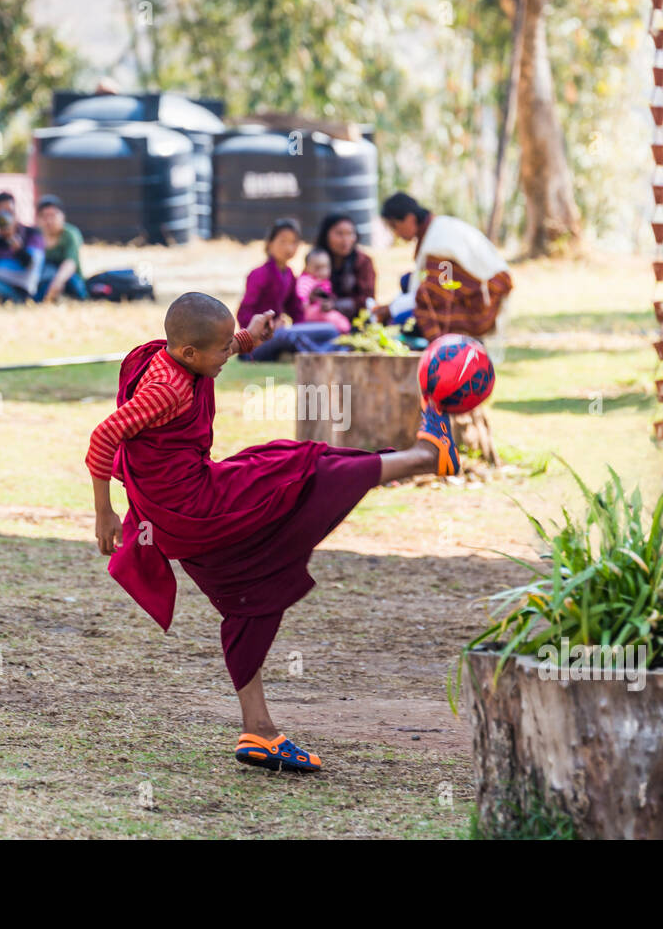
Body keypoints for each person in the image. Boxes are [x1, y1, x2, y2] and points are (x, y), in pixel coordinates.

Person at [86, 292, 462, 772]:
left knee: (246, 595)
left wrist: (249, 338)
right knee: (302, 471)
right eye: (223, 349)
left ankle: (258, 732)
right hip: (194, 507)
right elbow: (104, 436)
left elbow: (206, 352)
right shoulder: (167, 389)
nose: (230, 355)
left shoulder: (179, 360)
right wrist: (105, 513)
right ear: (189, 355)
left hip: (177, 510)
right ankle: (425, 458)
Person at [375, 192, 513, 341]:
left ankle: (441, 354)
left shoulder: (437, 241)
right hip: (479, 293)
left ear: (409, 219)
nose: (396, 233)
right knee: (406, 282)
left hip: (481, 306)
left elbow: (432, 295)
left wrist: (390, 310)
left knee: (403, 321)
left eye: (395, 226)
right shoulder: (437, 227)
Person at [238, 218, 344, 362]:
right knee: (285, 335)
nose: (288, 248)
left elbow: (296, 311)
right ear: (270, 243)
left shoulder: (289, 275)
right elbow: (243, 314)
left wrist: (302, 329)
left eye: (293, 242)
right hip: (255, 345)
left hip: (282, 334)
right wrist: (266, 329)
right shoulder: (259, 274)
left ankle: (317, 351)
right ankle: (322, 354)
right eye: (282, 241)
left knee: (330, 330)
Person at [314, 212, 377, 321]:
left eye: (350, 233)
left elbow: (367, 299)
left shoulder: (363, 261)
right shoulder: (316, 260)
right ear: (326, 235)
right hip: (322, 318)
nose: (345, 240)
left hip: (357, 322)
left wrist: (336, 305)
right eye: (339, 234)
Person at [34, 194, 87, 302]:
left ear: (62, 216)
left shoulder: (70, 234)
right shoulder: (35, 235)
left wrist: (57, 283)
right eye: (44, 216)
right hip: (43, 279)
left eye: (52, 215)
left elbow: (70, 262)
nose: (48, 220)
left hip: (67, 278)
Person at [295, 248, 351, 334]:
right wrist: (307, 302)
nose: (323, 271)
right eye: (318, 268)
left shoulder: (324, 282)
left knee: (337, 319)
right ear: (306, 267)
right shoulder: (306, 280)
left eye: (326, 267)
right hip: (308, 313)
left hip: (320, 311)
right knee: (339, 322)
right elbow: (300, 298)